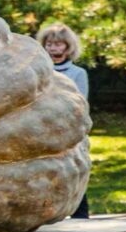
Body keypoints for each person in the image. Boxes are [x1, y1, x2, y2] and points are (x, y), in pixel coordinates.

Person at [40, 24, 93, 220]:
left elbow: (80, 103)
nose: (53, 48)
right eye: (49, 44)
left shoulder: (78, 73)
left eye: (58, 44)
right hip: (42, 129)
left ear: (68, 47)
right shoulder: (40, 71)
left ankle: (81, 216)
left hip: (67, 130)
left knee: (73, 173)